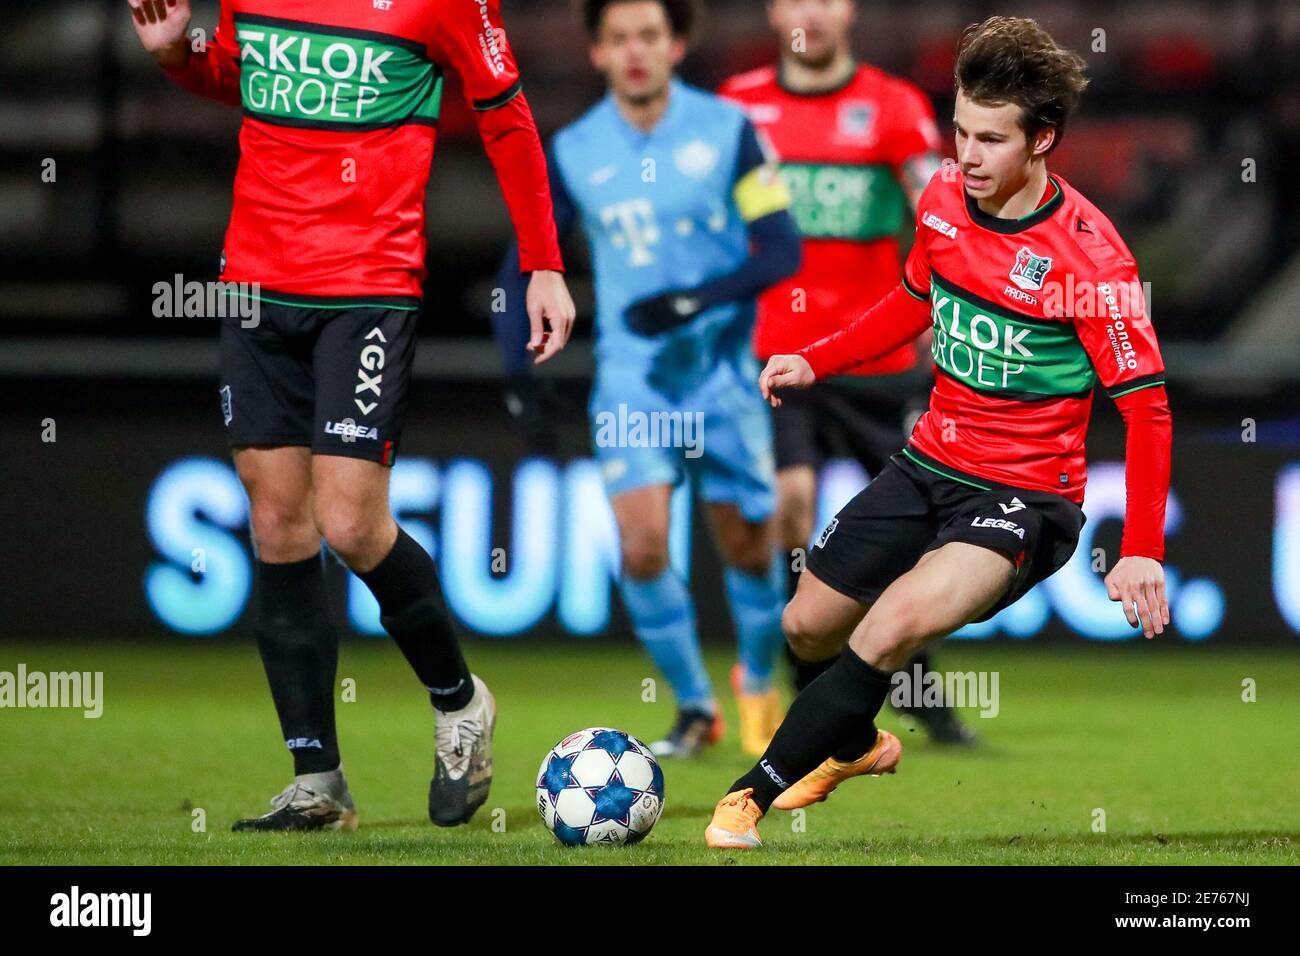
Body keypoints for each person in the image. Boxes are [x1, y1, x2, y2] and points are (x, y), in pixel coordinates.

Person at [705, 15, 1173, 848]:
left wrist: (1141, 546)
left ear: (1043, 141)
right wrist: (818, 359)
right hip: (928, 463)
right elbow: (913, 299)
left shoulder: (1095, 265)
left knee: (886, 629)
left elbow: (1146, 408)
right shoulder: (944, 200)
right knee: (806, 623)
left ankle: (748, 796)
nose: (967, 155)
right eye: (960, 131)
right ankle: (853, 745)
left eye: (991, 139)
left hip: (1024, 498)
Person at [127, 0, 576, 831]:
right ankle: (318, 782)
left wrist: (543, 266)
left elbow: (507, 120)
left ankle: (459, 702)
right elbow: (249, 78)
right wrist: (178, 60)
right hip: (257, 280)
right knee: (275, 522)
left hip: (367, 286)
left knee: (351, 522)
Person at [496, 0, 802, 758]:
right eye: (619, 38)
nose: (635, 51)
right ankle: (697, 708)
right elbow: (526, 264)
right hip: (634, 382)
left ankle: (759, 679)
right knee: (640, 549)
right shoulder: (570, 151)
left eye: (649, 36)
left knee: (748, 547)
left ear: (677, 45)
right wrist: (518, 381)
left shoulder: (730, 131)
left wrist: (697, 300)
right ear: (597, 53)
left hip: (725, 377)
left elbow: (780, 249)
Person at [720, 0, 974, 744]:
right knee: (792, 506)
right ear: (773, 10)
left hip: (879, 357)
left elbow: (937, 207)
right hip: (781, 356)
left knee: (921, 539)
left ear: (850, 9)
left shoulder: (891, 107)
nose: (813, 11)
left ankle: (919, 688)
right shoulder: (739, 106)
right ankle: (808, 677)